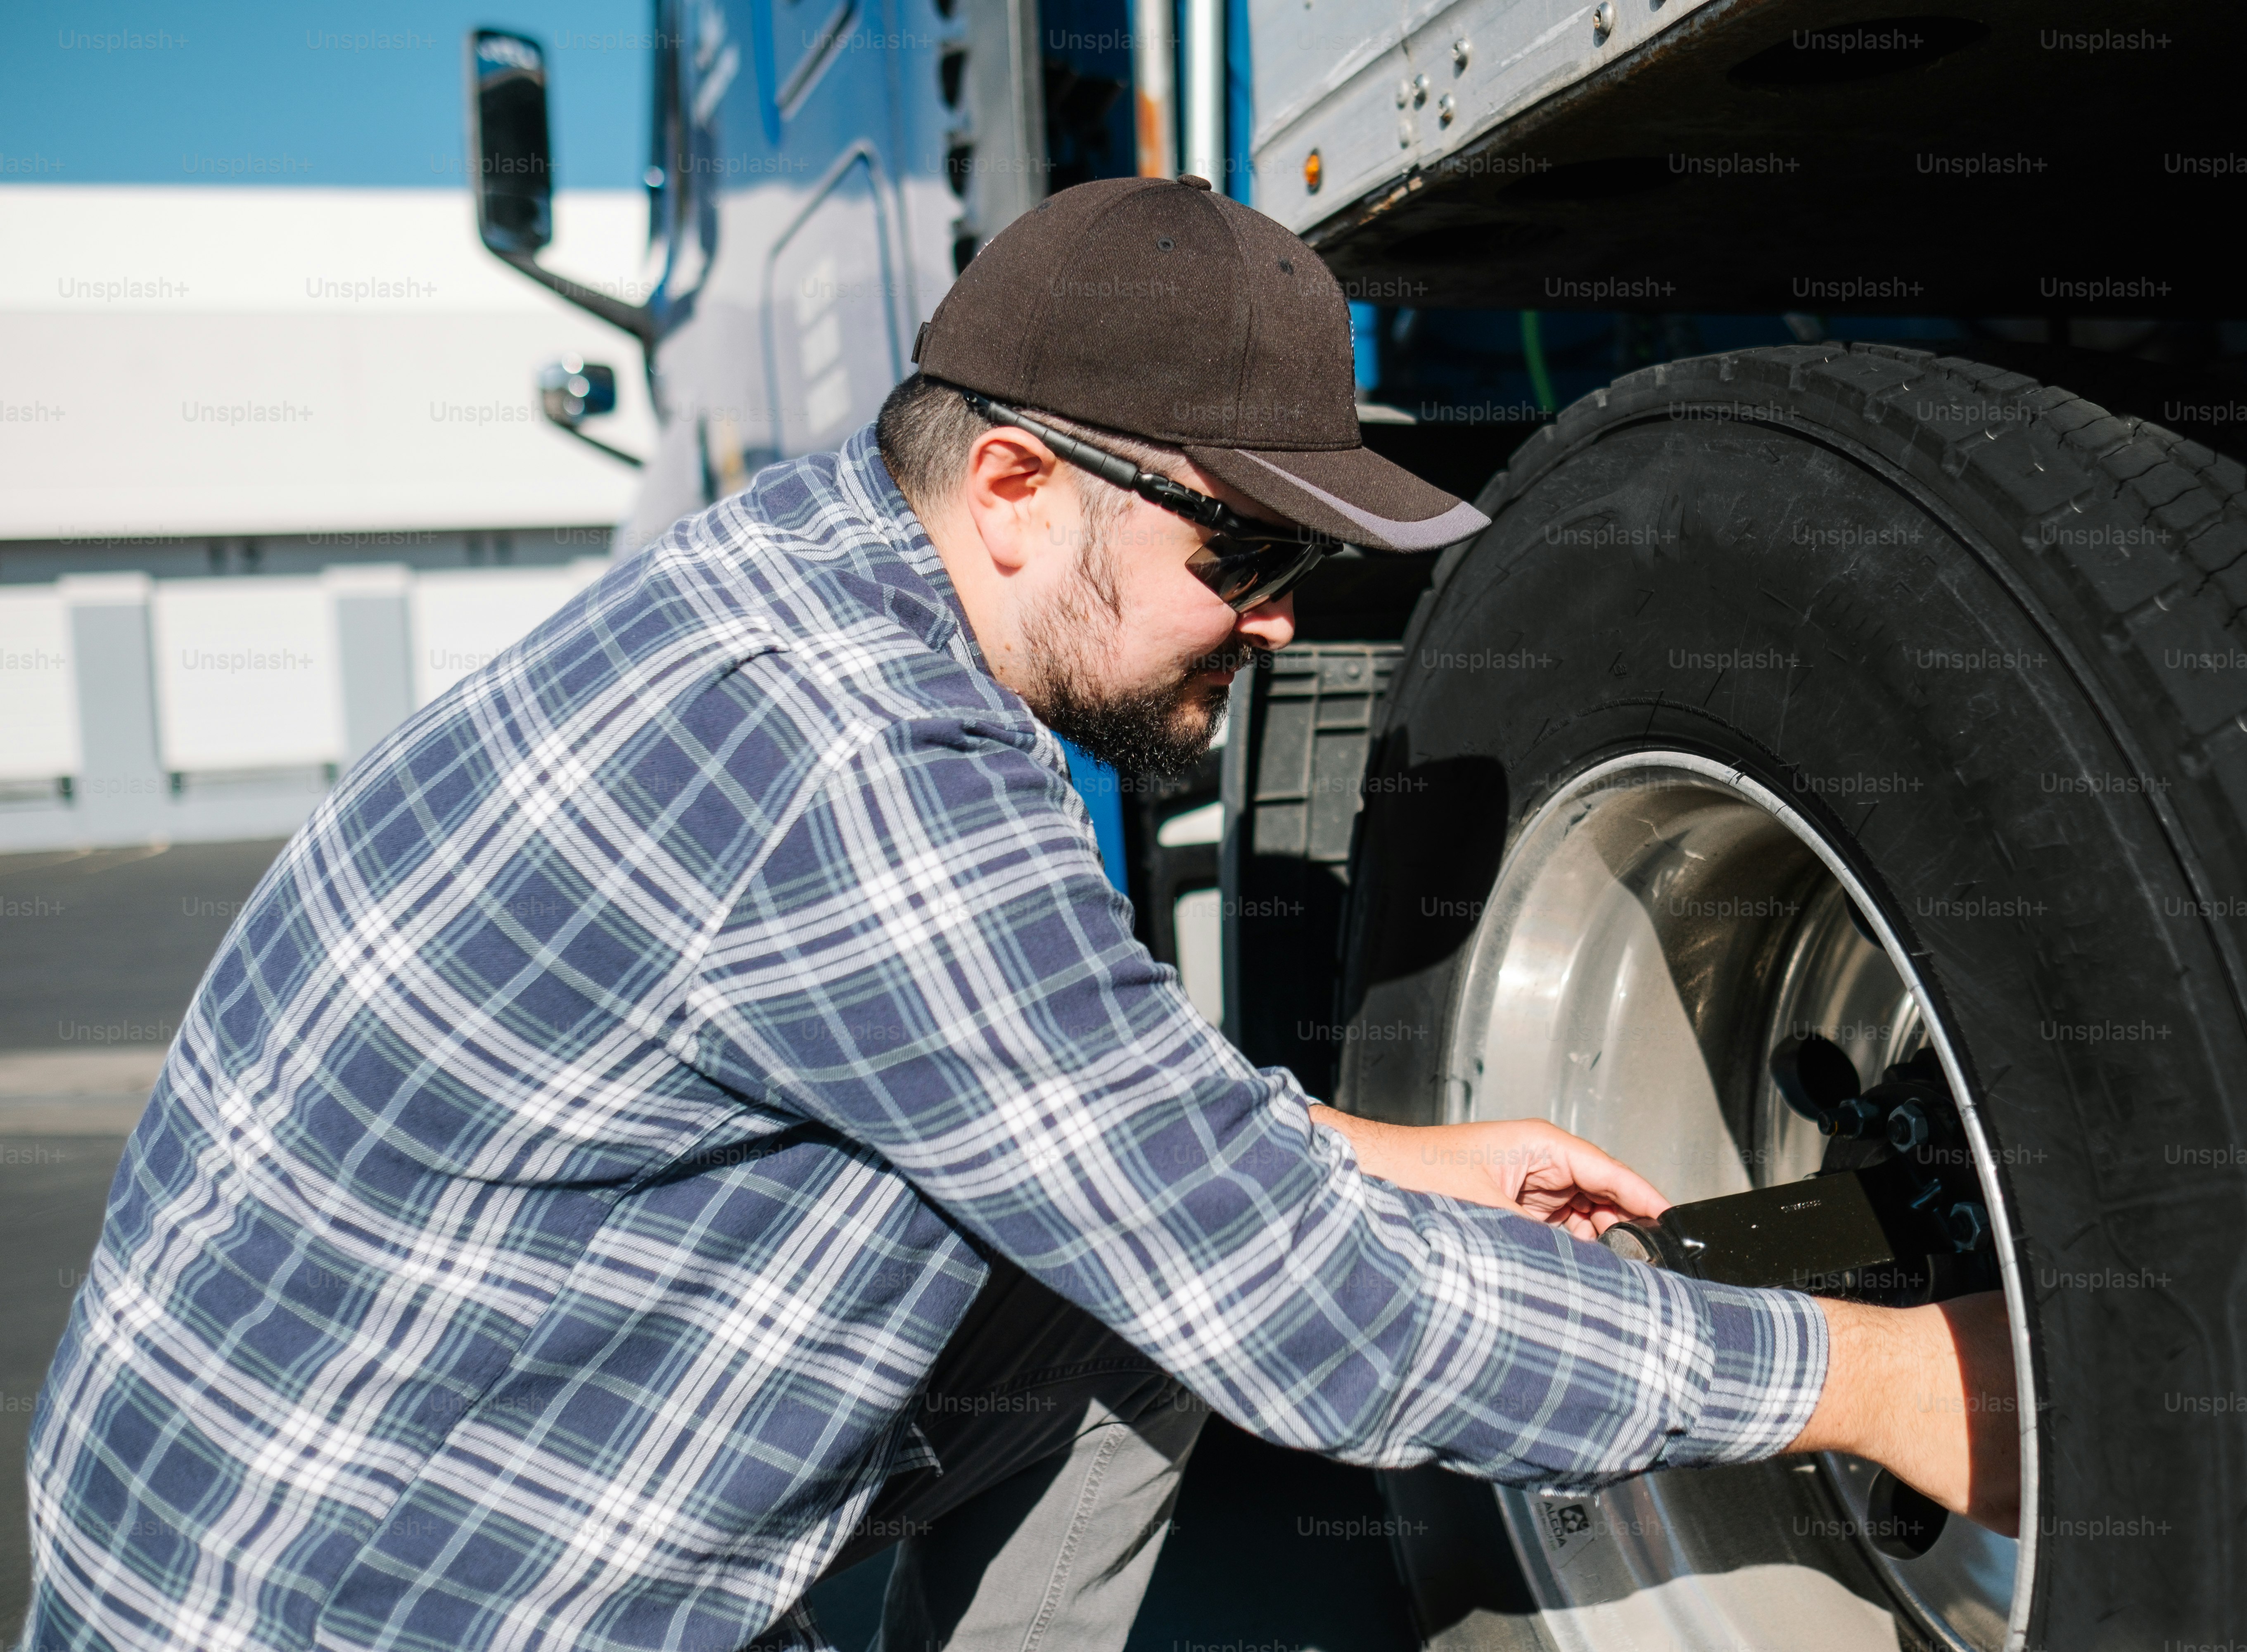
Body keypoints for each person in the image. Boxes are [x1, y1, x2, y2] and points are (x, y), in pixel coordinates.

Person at [24, 175, 2016, 1652]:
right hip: (333, 1601)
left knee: (1115, 1273)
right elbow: (1312, 1319)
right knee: (1199, 1285)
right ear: (1009, 488)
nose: (1281, 621)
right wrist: (1889, 1381)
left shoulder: (801, 584)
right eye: (1244, 549)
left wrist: (1393, 1154)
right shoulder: (856, 763)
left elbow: (1086, 1119)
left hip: (327, 1500)